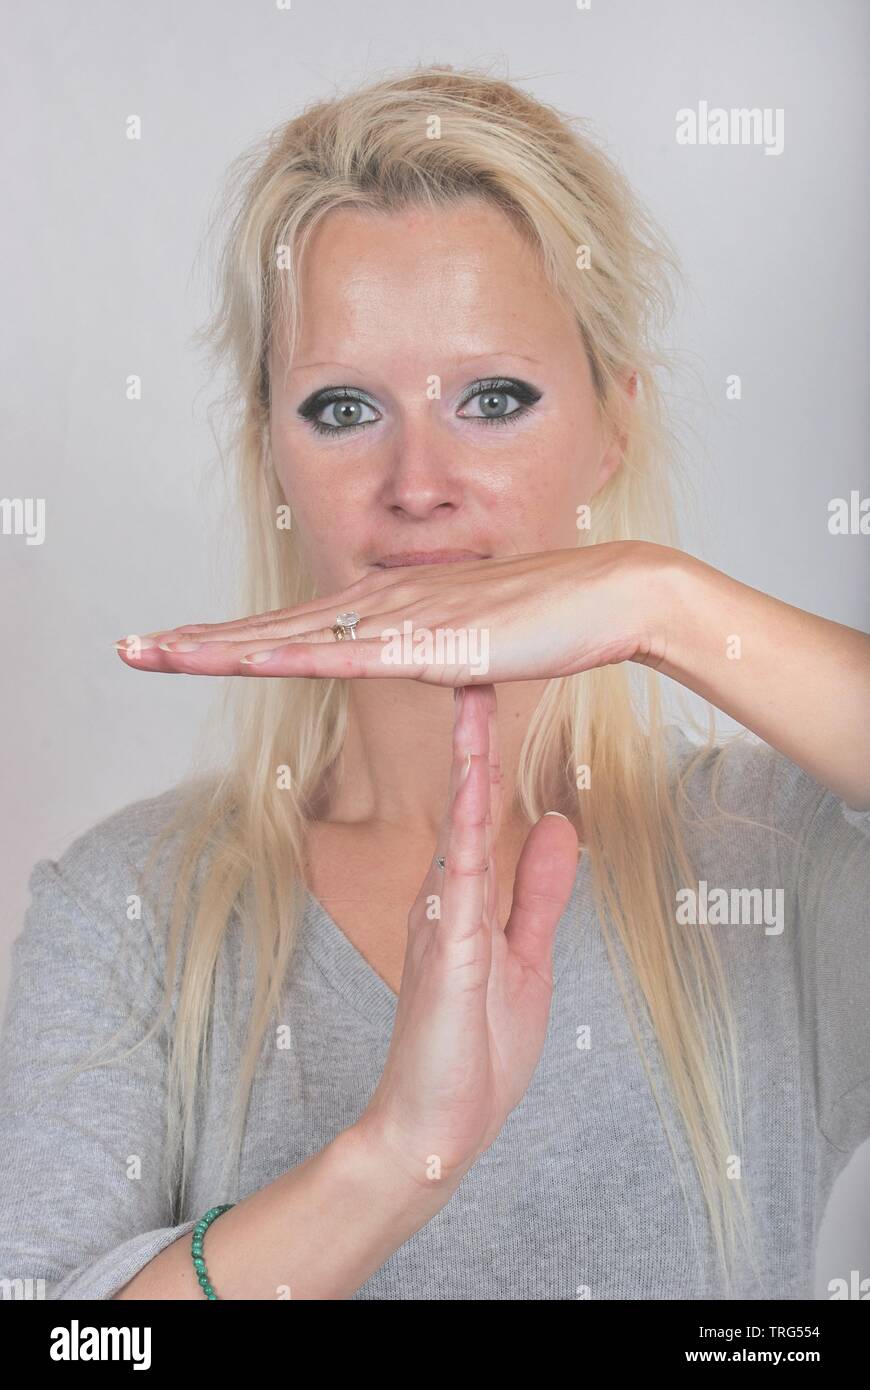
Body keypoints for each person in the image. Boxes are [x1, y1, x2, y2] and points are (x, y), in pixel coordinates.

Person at [2, 64, 868, 1302]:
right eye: (344, 406)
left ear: (613, 424)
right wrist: (393, 1158)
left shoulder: (773, 860)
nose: (420, 480)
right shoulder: (129, 912)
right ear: (270, 457)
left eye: (496, 398)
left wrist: (659, 599)